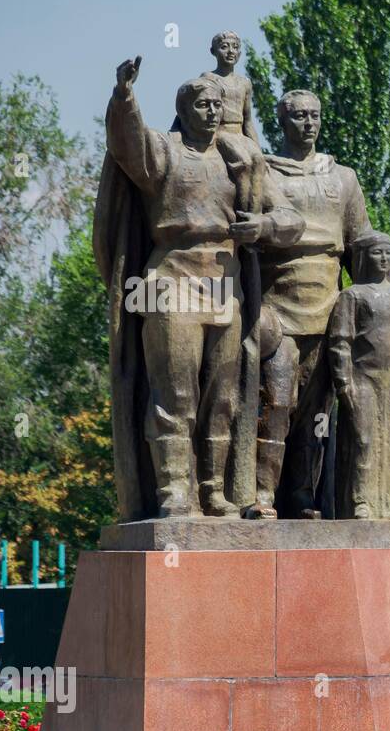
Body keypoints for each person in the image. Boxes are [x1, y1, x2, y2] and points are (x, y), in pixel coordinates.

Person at [98, 56, 303, 519]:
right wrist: (124, 96)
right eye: (203, 104)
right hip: (169, 278)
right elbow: (126, 144)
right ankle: (175, 492)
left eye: (217, 104)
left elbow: (291, 220)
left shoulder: (241, 159)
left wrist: (264, 225)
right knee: (175, 396)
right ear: (184, 109)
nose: (212, 111)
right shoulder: (164, 152)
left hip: (224, 283)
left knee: (222, 398)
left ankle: (214, 491)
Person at [257, 89, 372, 518]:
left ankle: (304, 496)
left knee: (316, 415)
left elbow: (362, 249)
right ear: (282, 122)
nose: (308, 123)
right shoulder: (266, 172)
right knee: (277, 404)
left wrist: (385, 312)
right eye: (299, 116)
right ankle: (263, 495)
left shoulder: (343, 179)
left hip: (328, 313)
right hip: (276, 311)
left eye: (315, 116)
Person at [327, 231, 390, 518]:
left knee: (389, 441)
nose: (383, 259)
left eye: (387, 253)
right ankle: (361, 502)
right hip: (361, 379)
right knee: (363, 439)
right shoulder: (352, 296)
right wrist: (343, 383)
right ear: (364, 258)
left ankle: (388, 505)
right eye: (377, 253)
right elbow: (340, 341)